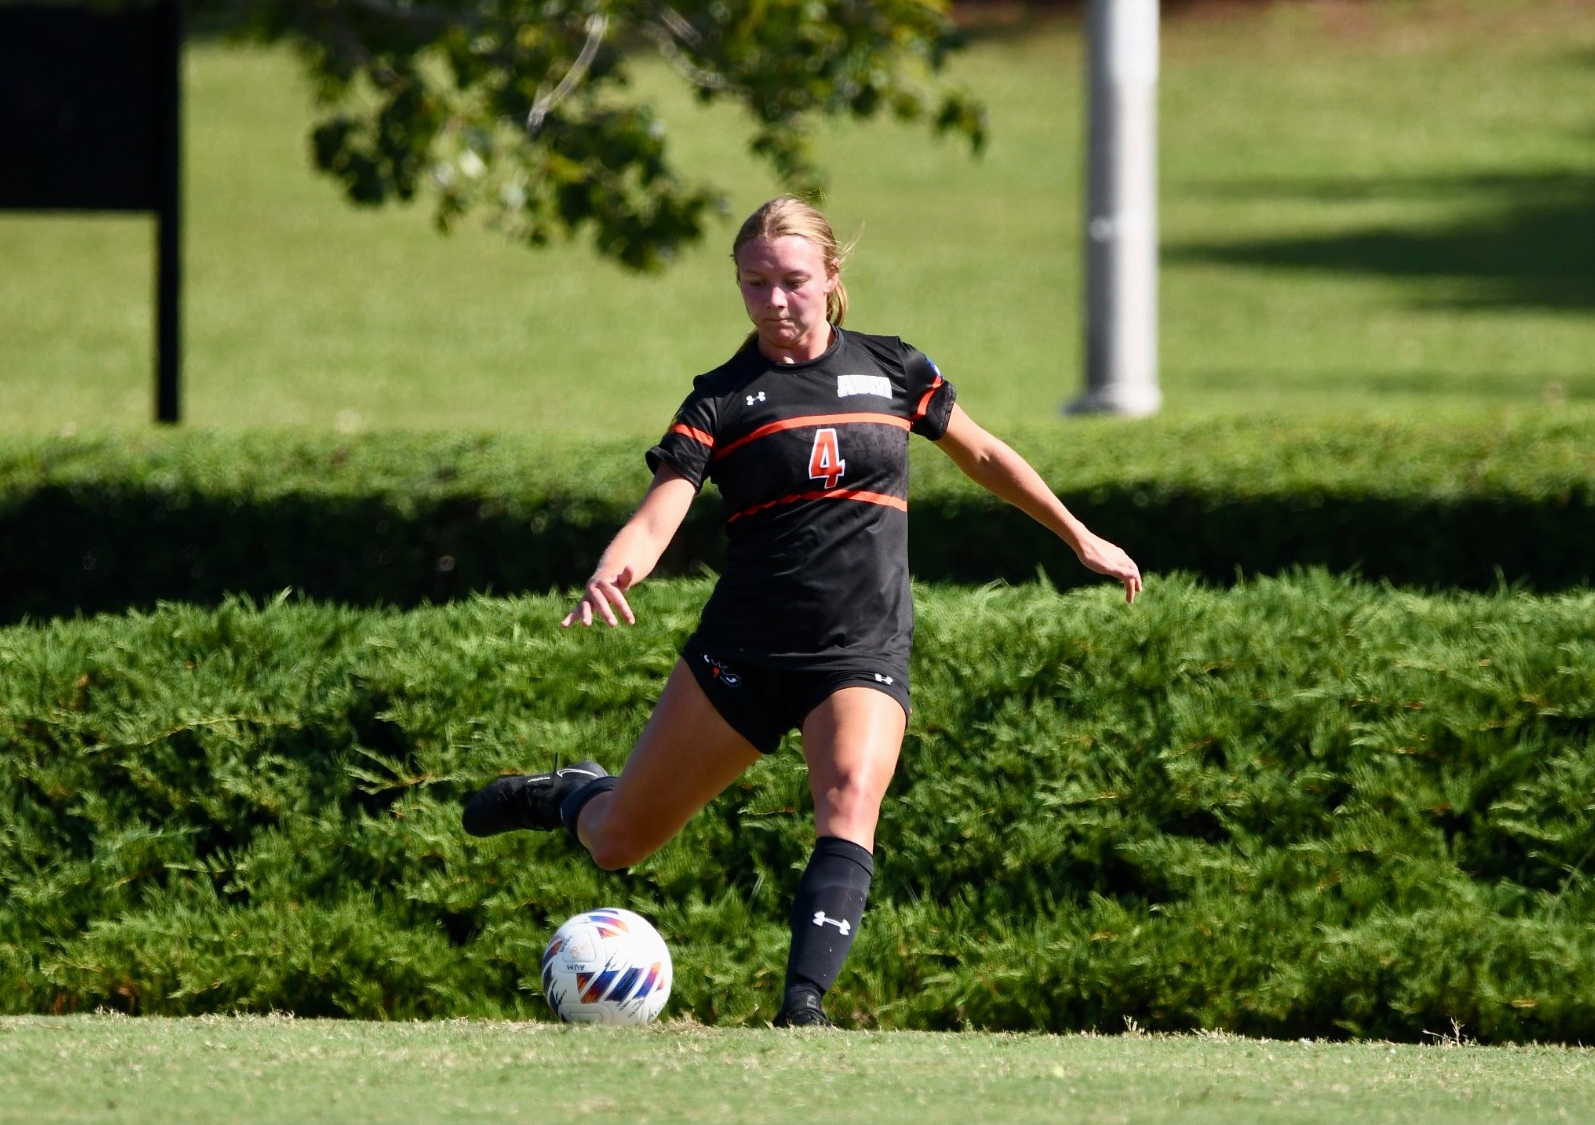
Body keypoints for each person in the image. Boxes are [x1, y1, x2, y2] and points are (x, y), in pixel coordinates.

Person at [462, 196, 1142, 1028]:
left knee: (852, 795)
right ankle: (567, 793)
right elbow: (662, 506)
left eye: (792, 282)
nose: (775, 301)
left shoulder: (895, 370)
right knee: (617, 842)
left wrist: (1078, 534)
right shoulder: (721, 399)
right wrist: (618, 564)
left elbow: (988, 452)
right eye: (756, 284)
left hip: (862, 647)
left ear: (830, 279)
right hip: (745, 650)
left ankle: (802, 1009)